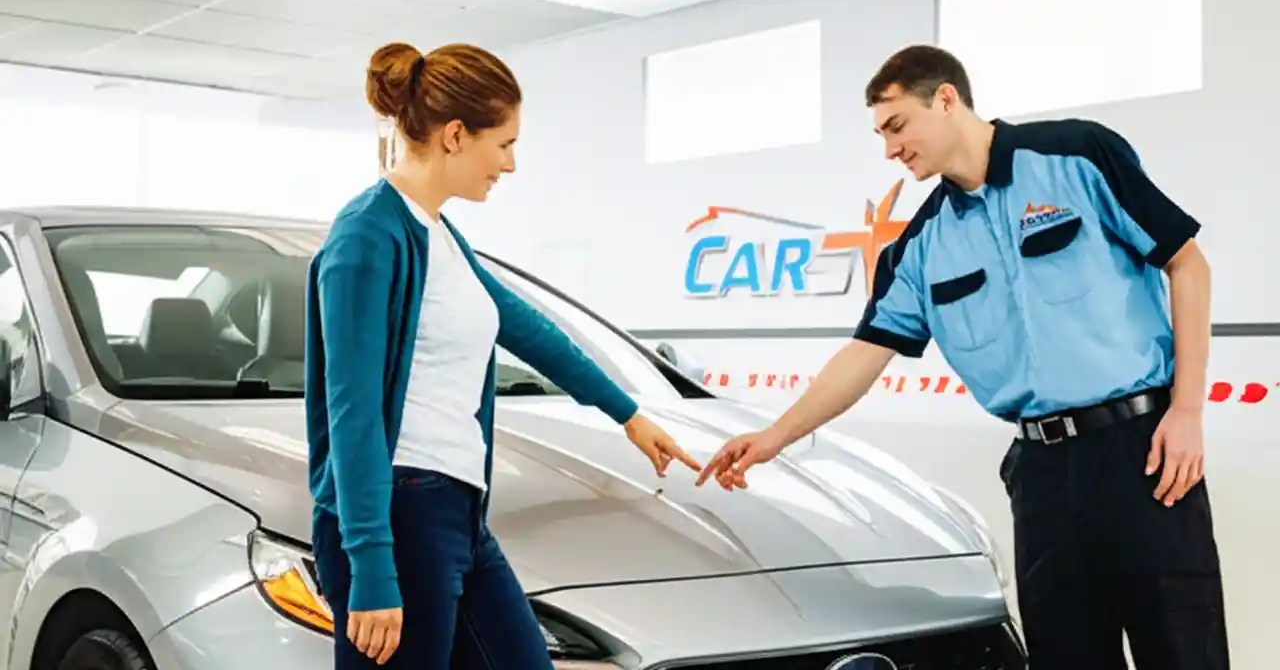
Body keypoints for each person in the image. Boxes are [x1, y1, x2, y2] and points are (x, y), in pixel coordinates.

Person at [695, 45, 1228, 669]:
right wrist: (773, 438)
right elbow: (865, 355)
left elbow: (1186, 264)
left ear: (945, 99)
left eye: (896, 126)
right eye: (880, 134)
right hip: (1043, 480)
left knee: (1183, 651)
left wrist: (1187, 409)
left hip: (1144, 454)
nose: (889, 150)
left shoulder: (1077, 155)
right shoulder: (921, 245)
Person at [304, 41, 702, 669]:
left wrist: (629, 414)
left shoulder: (436, 232)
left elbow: (529, 330)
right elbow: (351, 413)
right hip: (402, 515)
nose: (511, 164)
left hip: (458, 512)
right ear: (456, 135)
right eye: (505, 144)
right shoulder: (366, 235)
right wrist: (373, 566)